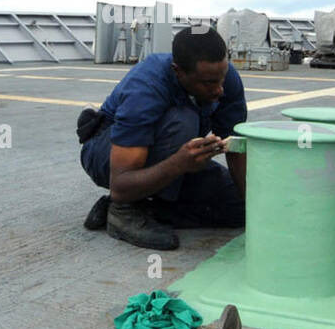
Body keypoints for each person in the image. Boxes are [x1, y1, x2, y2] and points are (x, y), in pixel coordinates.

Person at [78, 26, 247, 250]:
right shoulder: (146, 86)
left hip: (174, 157)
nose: (219, 90)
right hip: (107, 154)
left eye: (222, 79)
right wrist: (178, 164)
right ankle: (123, 210)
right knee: (182, 120)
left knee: (237, 208)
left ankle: (147, 207)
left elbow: (236, 147)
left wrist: (253, 207)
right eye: (208, 83)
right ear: (178, 72)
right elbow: (120, 183)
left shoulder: (222, 78)